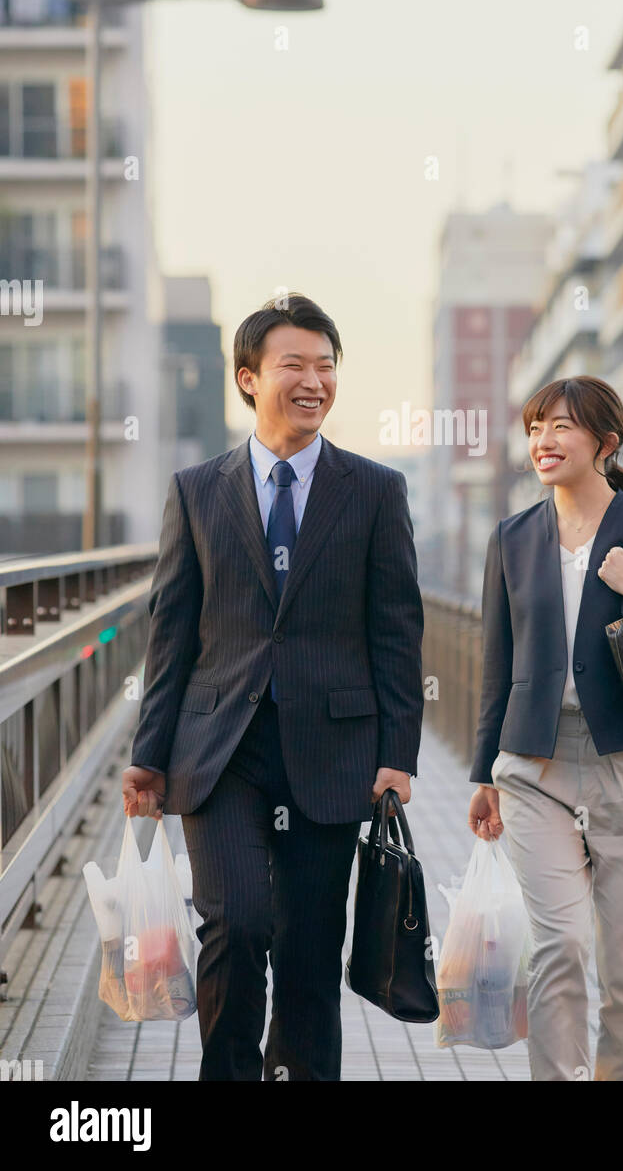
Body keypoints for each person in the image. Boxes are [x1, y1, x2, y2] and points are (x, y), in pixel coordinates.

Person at [121, 293, 425, 1081]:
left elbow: (398, 632)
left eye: (327, 367)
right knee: (236, 924)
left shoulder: (375, 491)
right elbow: (171, 633)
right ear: (250, 378)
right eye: (295, 365)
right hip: (221, 750)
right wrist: (147, 755)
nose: (314, 381)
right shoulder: (196, 491)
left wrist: (400, 754)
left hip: (333, 752)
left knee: (308, 951)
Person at [467, 375, 623, 1081]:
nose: (543, 440)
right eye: (536, 426)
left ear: (605, 443)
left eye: (560, 426)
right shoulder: (512, 538)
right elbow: (496, 664)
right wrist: (483, 773)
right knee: (561, 947)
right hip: (534, 767)